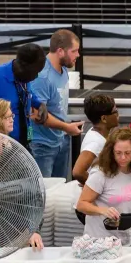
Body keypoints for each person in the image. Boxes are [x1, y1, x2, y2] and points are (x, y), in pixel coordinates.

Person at [75, 127, 131, 248]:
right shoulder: (100, 174)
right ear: (111, 152)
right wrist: (102, 210)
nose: (123, 158)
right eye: (118, 153)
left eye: (127, 153)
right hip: (99, 243)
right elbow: (81, 204)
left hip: (124, 242)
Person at [29, 30, 84, 178]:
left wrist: (65, 129)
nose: (78, 55)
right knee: (45, 193)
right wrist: (66, 127)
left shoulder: (64, 68)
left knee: (60, 190)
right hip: (42, 146)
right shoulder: (42, 77)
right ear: (60, 51)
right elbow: (36, 115)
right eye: (74, 51)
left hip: (60, 140)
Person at [0, 116, 43, 250]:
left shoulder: (20, 162)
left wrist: (33, 230)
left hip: (21, 235)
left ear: (4, 139)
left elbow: (35, 199)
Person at [0, 44, 46, 148]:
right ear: (25, 67)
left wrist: (40, 104)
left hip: (25, 145)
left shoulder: (24, 78)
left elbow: (28, 93)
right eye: (35, 72)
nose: (36, 76)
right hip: (0, 148)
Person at [72, 94, 118, 185]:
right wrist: (98, 187)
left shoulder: (99, 134)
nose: (118, 114)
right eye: (115, 112)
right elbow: (78, 172)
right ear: (104, 118)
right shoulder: (96, 142)